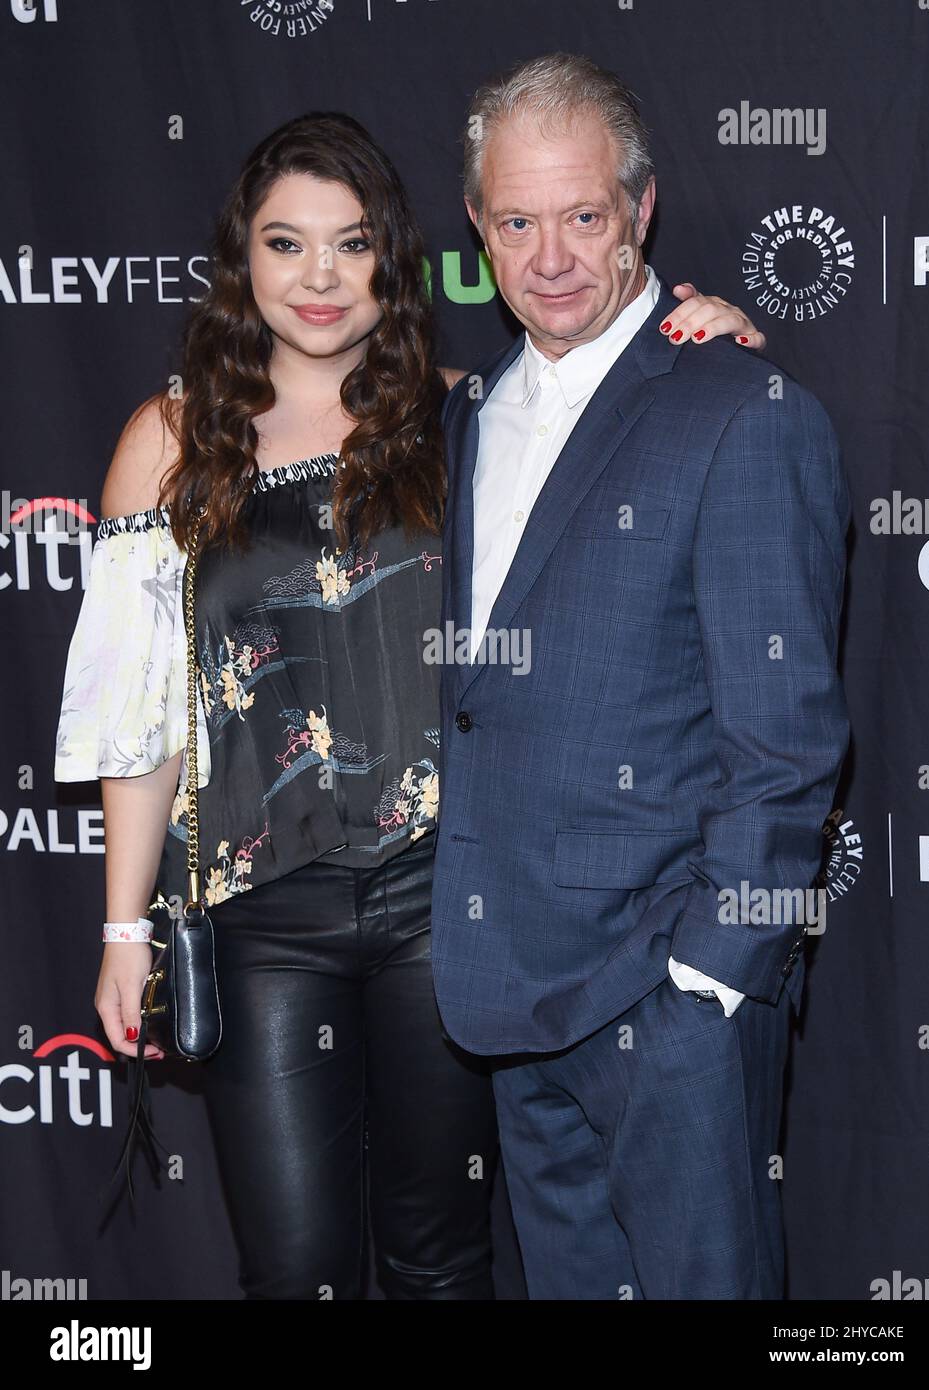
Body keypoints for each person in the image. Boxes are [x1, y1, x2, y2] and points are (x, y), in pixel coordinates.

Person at [54, 109, 766, 1300]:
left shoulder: (463, 416)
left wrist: (713, 328)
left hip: (451, 908)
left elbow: (619, 401)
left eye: (351, 244)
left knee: (445, 1260)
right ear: (245, 261)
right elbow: (141, 715)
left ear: (397, 254)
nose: (320, 278)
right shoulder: (169, 442)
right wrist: (126, 927)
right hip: (262, 916)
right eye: (287, 245)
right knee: (294, 1268)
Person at [430, 53, 851, 1300]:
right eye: (518, 220)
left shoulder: (741, 406)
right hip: (509, 992)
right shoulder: (469, 417)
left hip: (672, 1007)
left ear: (642, 210)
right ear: (478, 228)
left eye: (584, 217)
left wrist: (708, 980)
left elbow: (790, 740)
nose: (551, 257)